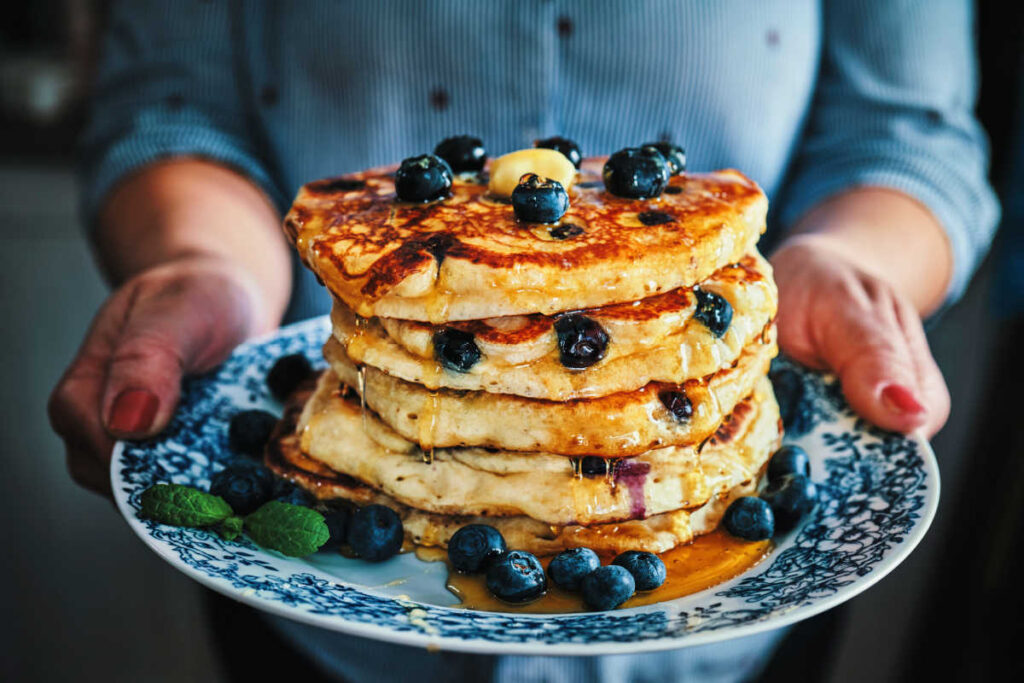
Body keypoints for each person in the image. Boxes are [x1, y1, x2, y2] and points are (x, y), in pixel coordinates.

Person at [48, 1, 998, 681]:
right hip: (328, 629)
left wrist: (842, 259)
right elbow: (170, 106)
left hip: (722, 645)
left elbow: (906, 134)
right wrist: (202, 264)